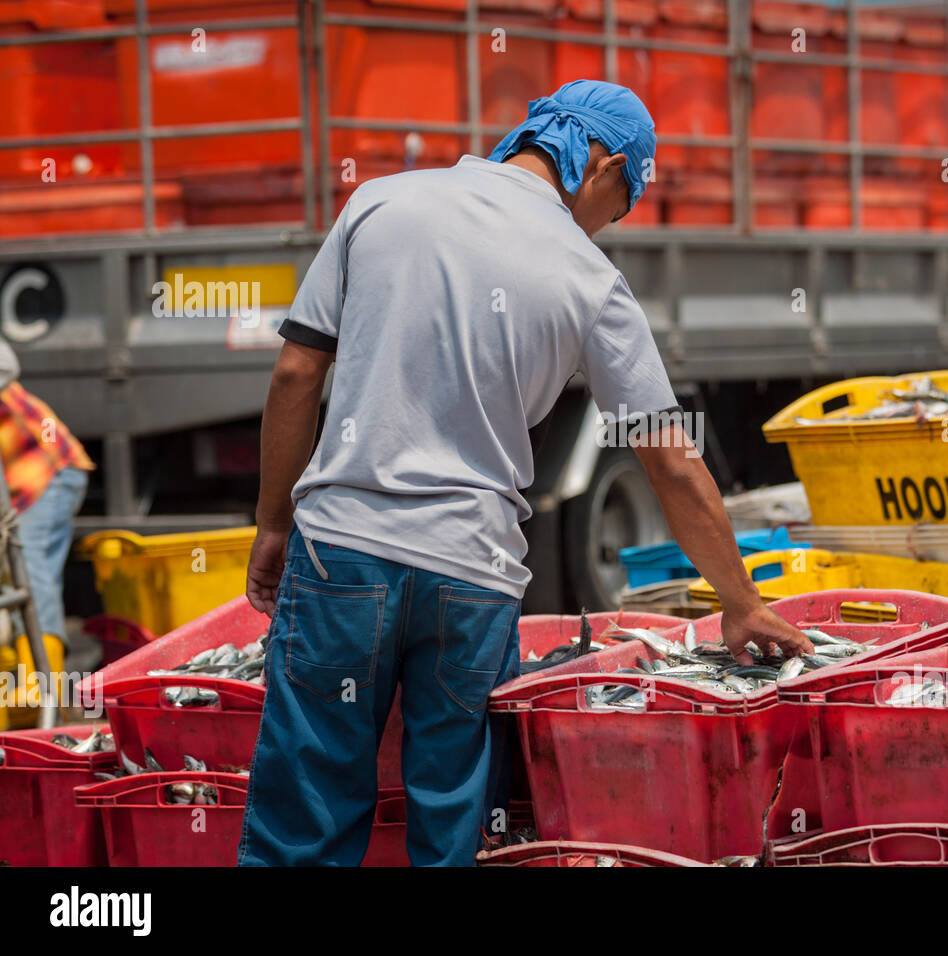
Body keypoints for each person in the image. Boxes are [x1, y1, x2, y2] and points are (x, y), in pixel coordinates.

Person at [238, 79, 813, 867]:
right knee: (455, 830)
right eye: (627, 197)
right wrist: (741, 605)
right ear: (605, 164)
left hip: (342, 555)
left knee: (304, 820)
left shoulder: (380, 204)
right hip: (471, 580)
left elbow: (296, 375)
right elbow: (672, 460)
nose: (616, 219)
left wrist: (274, 524)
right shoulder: (589, 278)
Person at [0, 338, 93, 659]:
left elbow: (5, 363)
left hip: (47, 471)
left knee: (29, 564)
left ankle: (40, 681)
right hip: (21, 480)